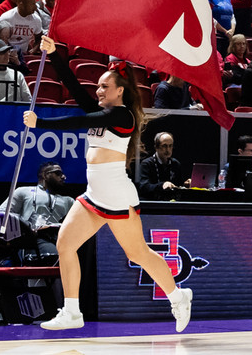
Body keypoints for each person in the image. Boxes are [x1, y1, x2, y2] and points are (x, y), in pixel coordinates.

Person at [20, 62, 195, 332]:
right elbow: (78, 93)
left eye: (105, 86)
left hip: (116, 195)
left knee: (138, 254)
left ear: (120, 91)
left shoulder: (123, 116)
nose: (99, 90)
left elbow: (79, 121)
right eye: (99, 85)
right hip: (94, 195)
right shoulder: (103, 111)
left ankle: (178, 296)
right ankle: (71, 311)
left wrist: (40, 122)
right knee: (65, 245)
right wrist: (55, 57)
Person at [2, 163, 73, 262]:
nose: (63, 177)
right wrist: (26, 229)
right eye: (57, 173)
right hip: (32, 240)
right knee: (56, 256)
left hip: (58, 240)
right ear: (44, 175)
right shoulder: (24, 192)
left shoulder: (68, 201)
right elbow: (2, 215)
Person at [137, 131, 188, 199]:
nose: (168, 150)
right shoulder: (147, 164)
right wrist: (162, 185)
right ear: (156, 147)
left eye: (170, 146)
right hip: (152, 203)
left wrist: (185, 185)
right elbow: (143, 187)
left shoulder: (175, 164)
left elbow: (178, 186)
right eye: (164, 146)